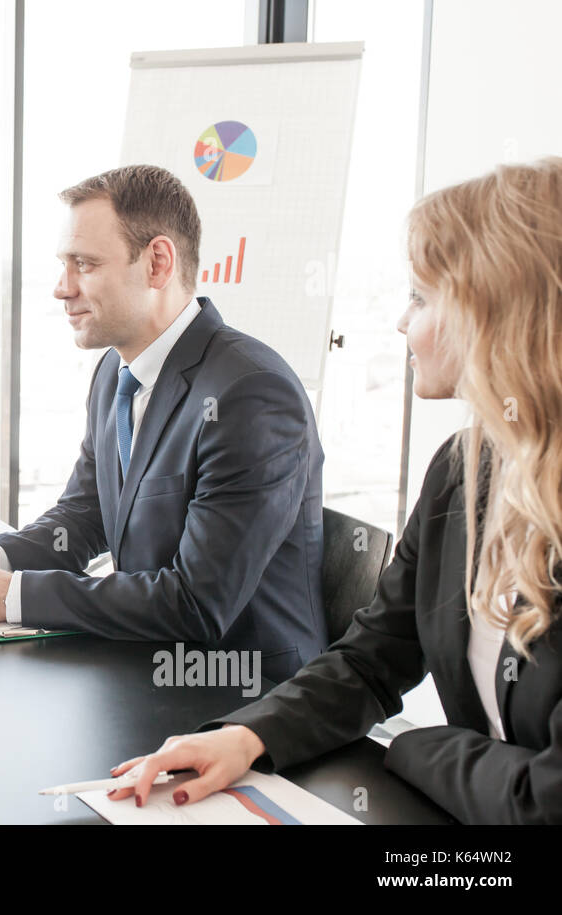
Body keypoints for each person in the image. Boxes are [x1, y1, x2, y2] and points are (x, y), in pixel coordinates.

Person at [113, 158, 562, 825]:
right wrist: (247, 737)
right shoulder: (465, 470)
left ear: (490, 310)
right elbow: (374, 656)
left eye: (420, 296)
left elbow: (545, 799)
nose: (401, 323)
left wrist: (415, 745)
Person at [0, 165, 327, 682]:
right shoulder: (115, 370)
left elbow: (196, 603)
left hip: (237, 692)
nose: (63, 289)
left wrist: (8, 596)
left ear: (157, 263)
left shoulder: (251, 394)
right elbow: (87, 515)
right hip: (146, 667)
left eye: (83, 264)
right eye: (64, 264)